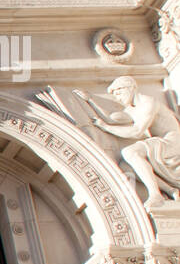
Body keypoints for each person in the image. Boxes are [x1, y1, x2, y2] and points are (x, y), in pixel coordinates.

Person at [77, 76, 180, 207]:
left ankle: (155, 194)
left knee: (130, 152)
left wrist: (105, 127)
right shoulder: (132, 109)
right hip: (162, 142)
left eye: (119, 93)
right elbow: (111, 118)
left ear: (130, 88)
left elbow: (137, 131)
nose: (118, 98)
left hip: (173, 142)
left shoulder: (148, 103)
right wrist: (90, 100)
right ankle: (171, 190)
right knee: (126, 167)